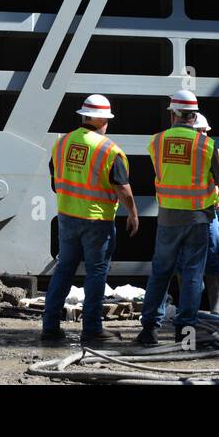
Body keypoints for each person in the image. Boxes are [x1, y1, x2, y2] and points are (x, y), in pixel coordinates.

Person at [41, 94, 138, 346]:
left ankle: (50, 326)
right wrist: (134, 213)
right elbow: (123, 188)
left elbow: (55, 182)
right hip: (97, 220)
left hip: (67, 216)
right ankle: (92, 328)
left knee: (63, 270)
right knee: (96, 273)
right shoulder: (108, 149)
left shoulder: (61, 144)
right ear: (102, 119)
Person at [136, 90, 219, 346]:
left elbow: (160, 170)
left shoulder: (157, 141)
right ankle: (186, 335)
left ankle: (148, 330)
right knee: (193, 274)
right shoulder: (208, 145)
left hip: (167, 216)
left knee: (160, 272)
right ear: (194, 115)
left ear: (173, 113)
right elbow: (215, 179)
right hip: (198, 217)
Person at [194, 113, 219, 315]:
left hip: (208, 213)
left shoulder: (216, 153)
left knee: (211, 257)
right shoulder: (186, 153)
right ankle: (191, 306)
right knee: (184, 259)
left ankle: (215, 308)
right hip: (186, 212)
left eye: (204, 131)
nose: (202, 134)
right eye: (198, 131)